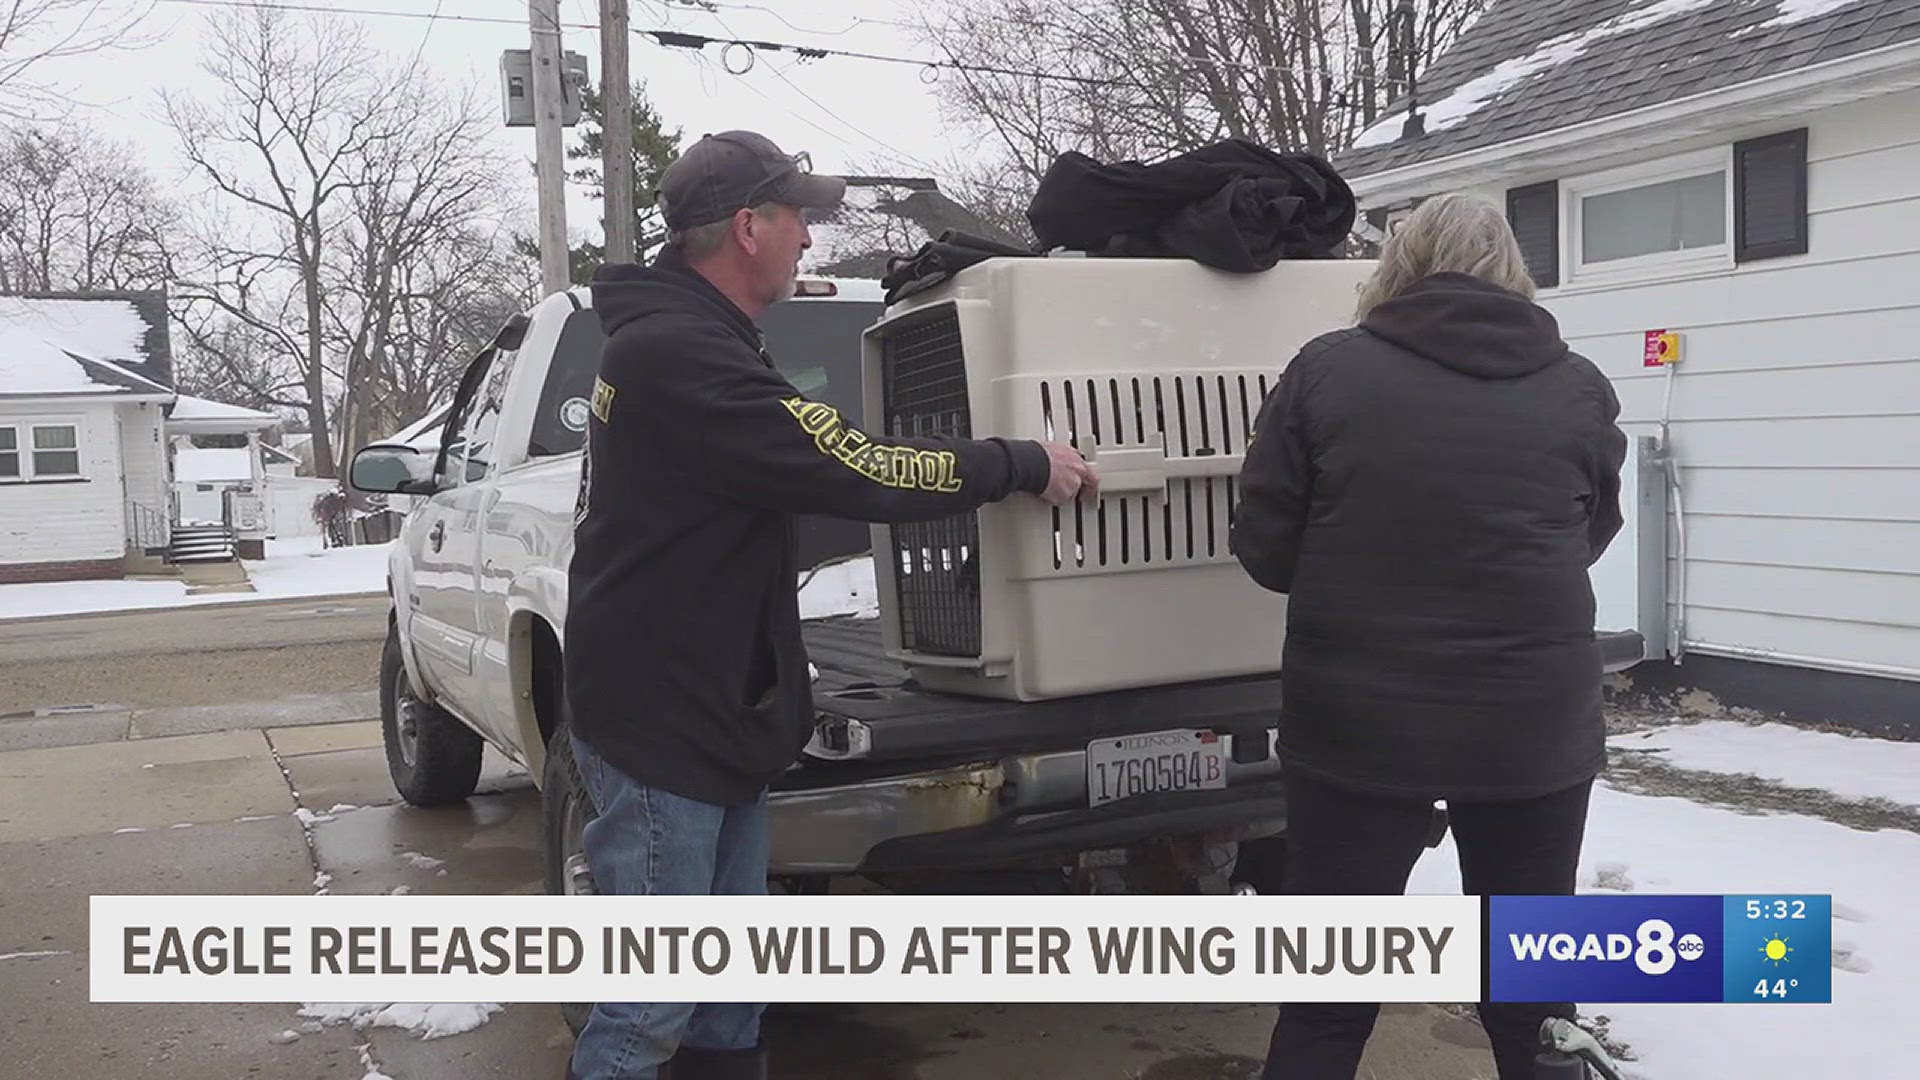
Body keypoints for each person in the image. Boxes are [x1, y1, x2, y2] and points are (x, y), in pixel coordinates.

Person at [562, 130, 1097, 1080]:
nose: (810, 236)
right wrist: (1017, 463)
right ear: (746, 226)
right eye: (797, 215)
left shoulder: (690, 340)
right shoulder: (684, 355)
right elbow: (855, 465)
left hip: (711, 704)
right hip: (661, 721)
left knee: (731, 991)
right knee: (648, 1005)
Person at [1229, 192, 1628, 1080]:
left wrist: (1356, 573)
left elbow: (1265, 544)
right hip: (1534, 730)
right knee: (1534, 984)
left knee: (1328, 993)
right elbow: (1589, 533)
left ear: (1396, 267)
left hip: (1359, 729)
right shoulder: (1579, 386)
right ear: (1513, 273)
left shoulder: (1326, 371)